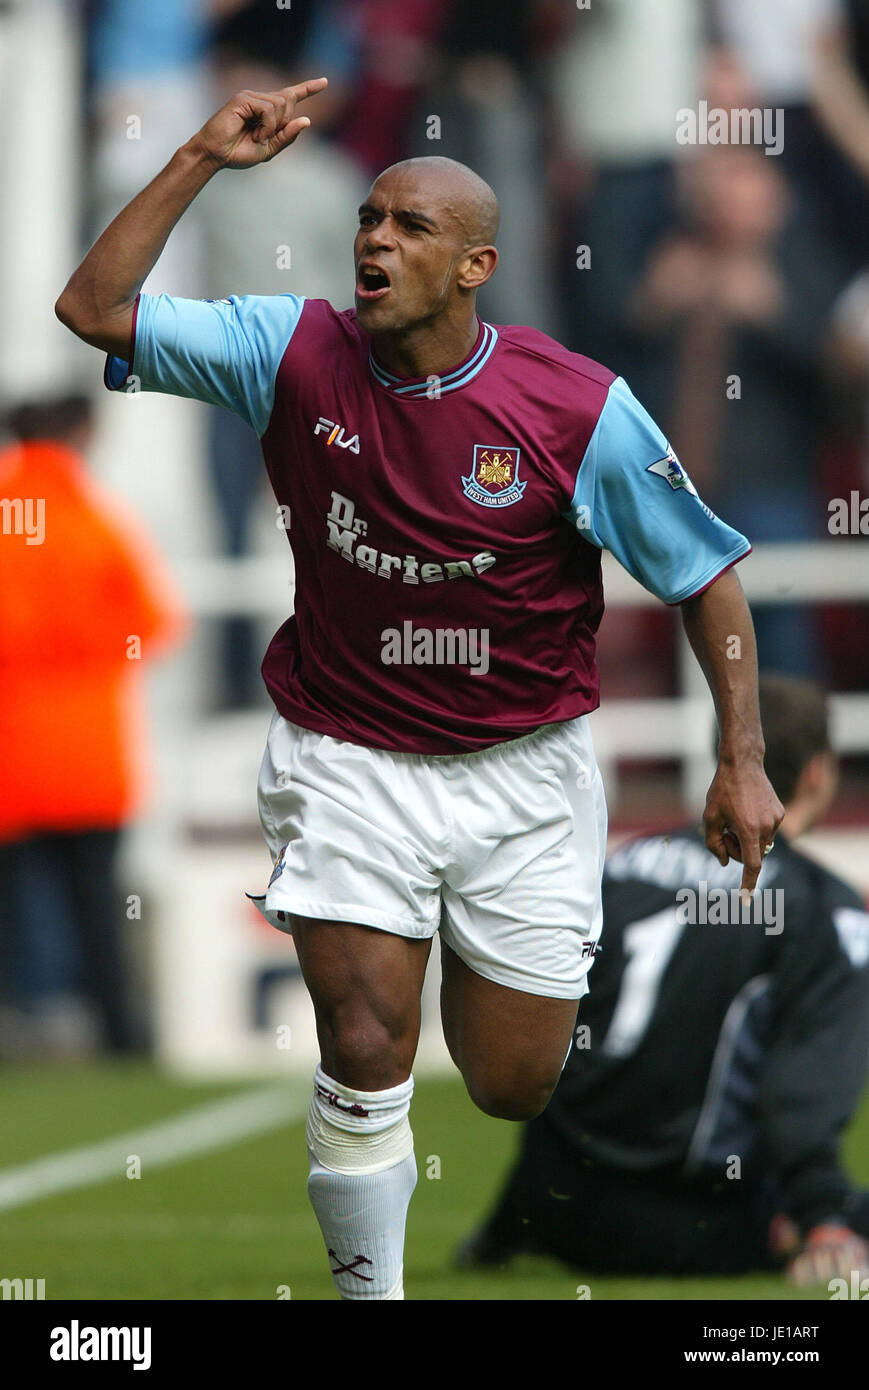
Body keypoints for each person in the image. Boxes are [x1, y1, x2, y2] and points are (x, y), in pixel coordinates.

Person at [55, 76, 782, 1300]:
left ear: (476, 266)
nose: (375, 243)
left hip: (523, 771)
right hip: (345, 754)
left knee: (510, 1082)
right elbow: (92, 307)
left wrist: (740, 756)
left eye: (409, 229)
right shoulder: (288, 350)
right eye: (369, 221)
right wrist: (198, 156)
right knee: (362, 1041)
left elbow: (705, 575)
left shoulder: (572, 406)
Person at [460, 674, 869, 1288]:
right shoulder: (826, 909)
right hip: (698, 1223)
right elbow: (801, 1095)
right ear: (818, 773)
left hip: (560, 1207)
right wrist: (827, 1220)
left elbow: (554, 1025)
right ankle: (793, 1225)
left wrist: (507, 1225)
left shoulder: (620, 866)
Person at [0, 394, 187, 1054]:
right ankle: (119, 1033)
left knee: (13, 911)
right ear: (81, 433)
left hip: (12, 757)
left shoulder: (8, 516)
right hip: (87, 754)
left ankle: (21, 1027)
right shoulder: (93, 520)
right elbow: (155, 624)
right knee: (97, 906)